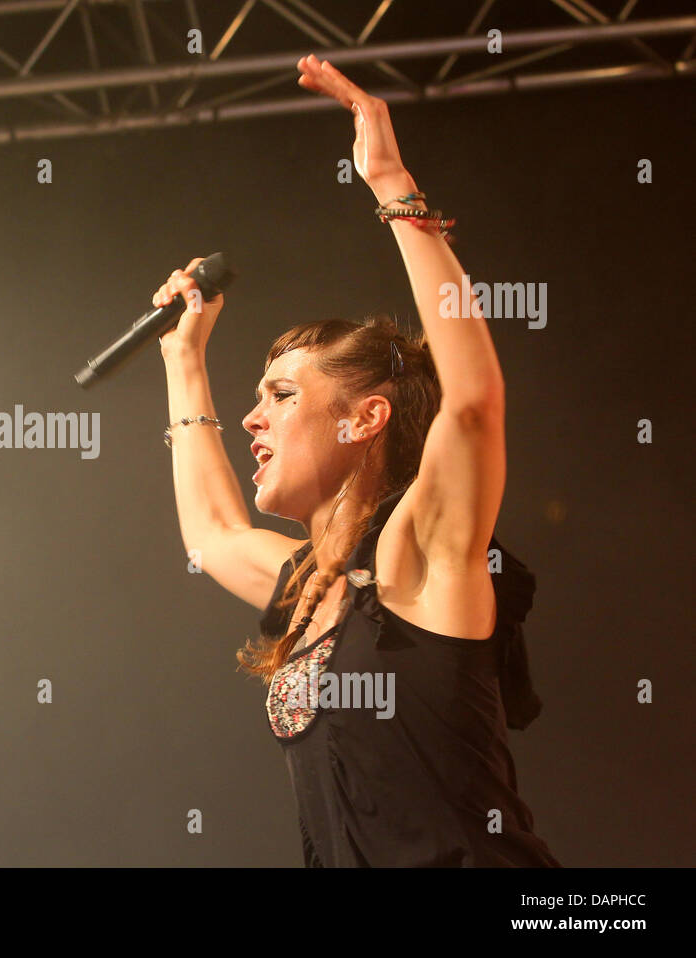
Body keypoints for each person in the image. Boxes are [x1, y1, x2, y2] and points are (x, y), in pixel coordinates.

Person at [154, 54, 559, 867]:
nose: (252, 419)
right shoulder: (313, 585)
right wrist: (182, 358)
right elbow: (212, 535)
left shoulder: (419, 555)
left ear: (365, 418)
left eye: (280, 396)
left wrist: (393, 188)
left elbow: (473, 402)